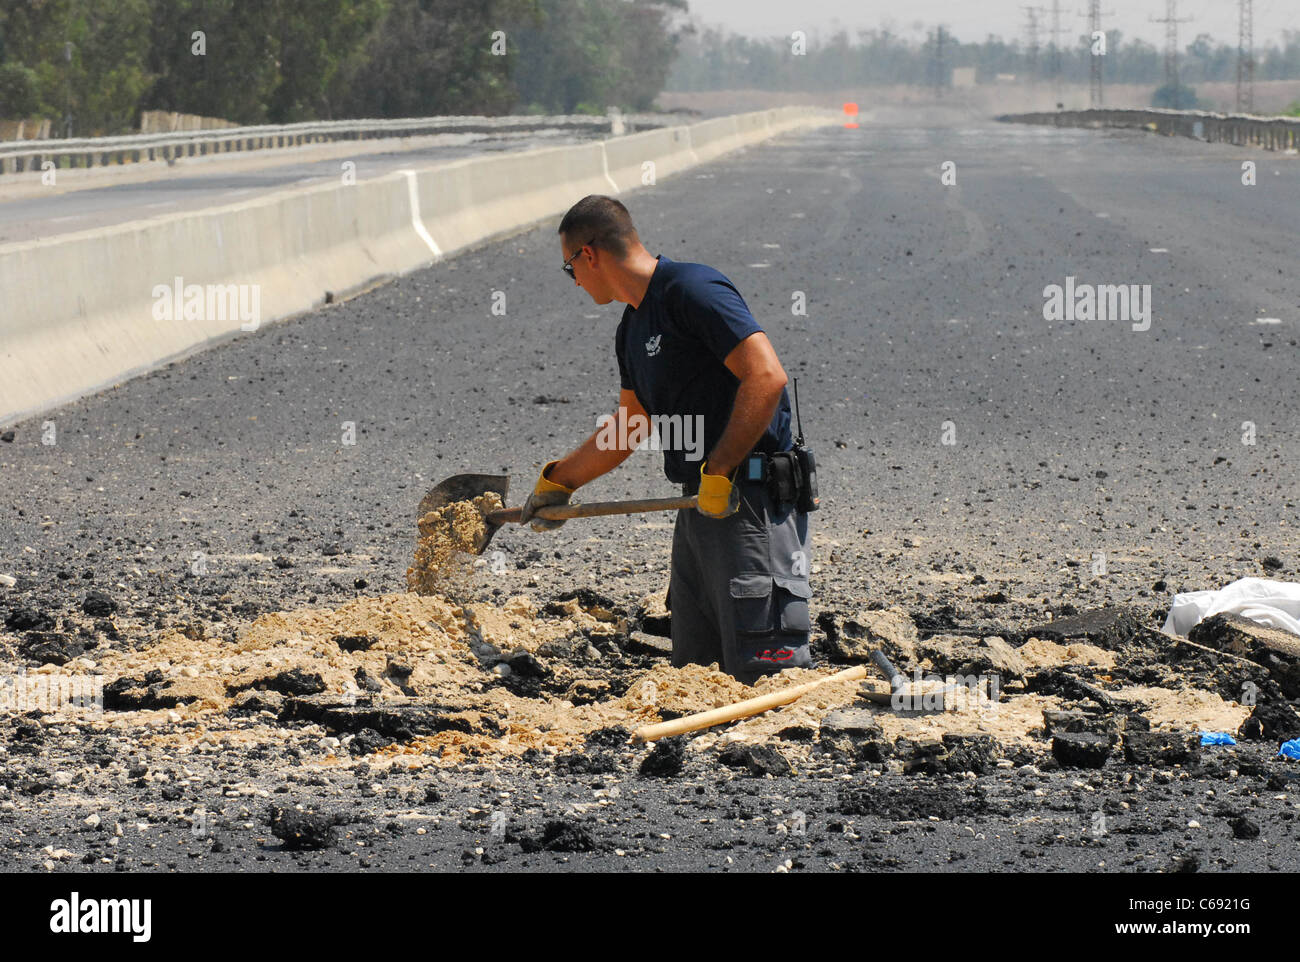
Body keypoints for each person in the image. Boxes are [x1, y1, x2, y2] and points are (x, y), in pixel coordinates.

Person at [521, 195, 813, 685]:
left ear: (588, 255)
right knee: (697, 675)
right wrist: (559, 481)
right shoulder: (633, 326)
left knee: (764, 674)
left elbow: (766, 377)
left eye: (570, 269)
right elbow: (630, 426)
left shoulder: (692, 290)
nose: (575, 281)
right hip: (698, 507)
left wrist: (719, 471)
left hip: (750, 502)